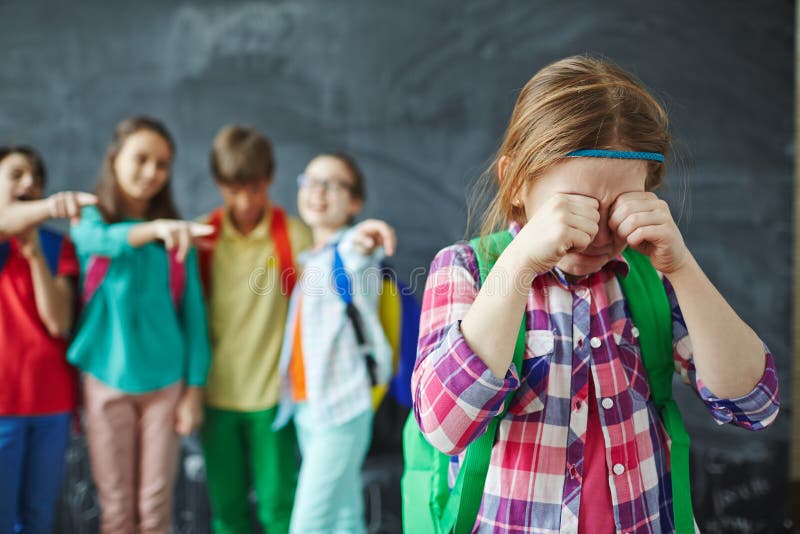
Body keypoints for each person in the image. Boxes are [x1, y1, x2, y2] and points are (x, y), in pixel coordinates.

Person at [411, 55, 780, 532]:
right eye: (575, 206)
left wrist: (682, 268)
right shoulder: (465, 269)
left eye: (620, 207)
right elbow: (444, 428)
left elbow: (755, 403)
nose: (598, 235)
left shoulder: (651, 278)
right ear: (515, 182)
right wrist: (520, 264)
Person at [68, 116, 212, 533]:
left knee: (155, 508)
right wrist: (153, 230)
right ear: (114, 158)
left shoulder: (176, 237)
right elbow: (97, 242)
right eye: (141, 159)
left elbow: (194, 318)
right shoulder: (91, 218)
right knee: (115, 508)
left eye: (162, 164)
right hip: (105, 379)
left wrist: (194, 390)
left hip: (165, 384)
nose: (151, 172)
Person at [198, 125, 313, 534]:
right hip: (216, 396)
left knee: (279, 508)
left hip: (273, 400)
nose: (245, 202)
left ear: (270, 179)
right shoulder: (203, 239)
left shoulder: (293, 237)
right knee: (227, 511)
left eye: (255, 189)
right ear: (218, 184)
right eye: (233, 191)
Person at [273, 153, 395, 533]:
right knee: (344, 518)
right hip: (308, 405)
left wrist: (367, 236)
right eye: (310, 181)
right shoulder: (313, 258)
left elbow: (361, 250)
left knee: (307, 524)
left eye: (331, 185)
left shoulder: (347, 251)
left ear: (355, 202)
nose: (317, 192)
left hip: (340, 407)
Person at [0, 145, 96, 533]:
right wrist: (52, 206)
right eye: (16, 174)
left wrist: (35, 254)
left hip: (51, 402)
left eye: (37, 178)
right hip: (2, 404)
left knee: (39, 515)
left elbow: (58, 322)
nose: (30, 183)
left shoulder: (57, 246)